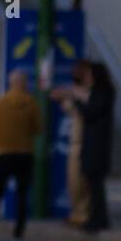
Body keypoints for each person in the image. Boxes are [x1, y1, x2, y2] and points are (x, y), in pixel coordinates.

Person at [0, 68, 41, 241]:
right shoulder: (31, 103)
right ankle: (18, 234)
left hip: (3, 153)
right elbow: (37, 128)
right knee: (22, 195)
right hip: (25, 153)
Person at [51, 60, 92, 228]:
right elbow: (64, 102)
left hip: (84, 141)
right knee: (73, 181)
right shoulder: (76, 93)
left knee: (82, 182)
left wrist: (70, 95)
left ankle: (83, 213)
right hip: (75, 141)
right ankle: (76, 212)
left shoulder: (88, 93)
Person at [77, 60, 115, 233]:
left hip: (96, 145)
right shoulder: (103, 92)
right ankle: (98, 217)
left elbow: (90, 112)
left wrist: (78, 102)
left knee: (95, 185)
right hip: (95, 144)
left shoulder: (103, 93)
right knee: (94, 184)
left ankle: (97, 218)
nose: (88, 78)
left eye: (90, 75)